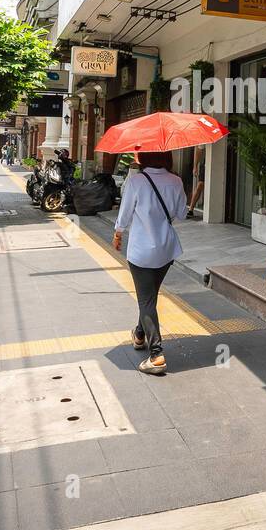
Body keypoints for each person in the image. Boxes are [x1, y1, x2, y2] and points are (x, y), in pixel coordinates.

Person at [112, 150, 187, 375]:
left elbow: (124, 213)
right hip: (165, 250)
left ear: (144, 157)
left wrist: (118, 233)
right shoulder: (176, 181)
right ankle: (139, 334)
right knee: (149, 296)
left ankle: (156, 355)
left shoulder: (136, 181)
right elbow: (182, 214)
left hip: (141, 251)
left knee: (146, 300)